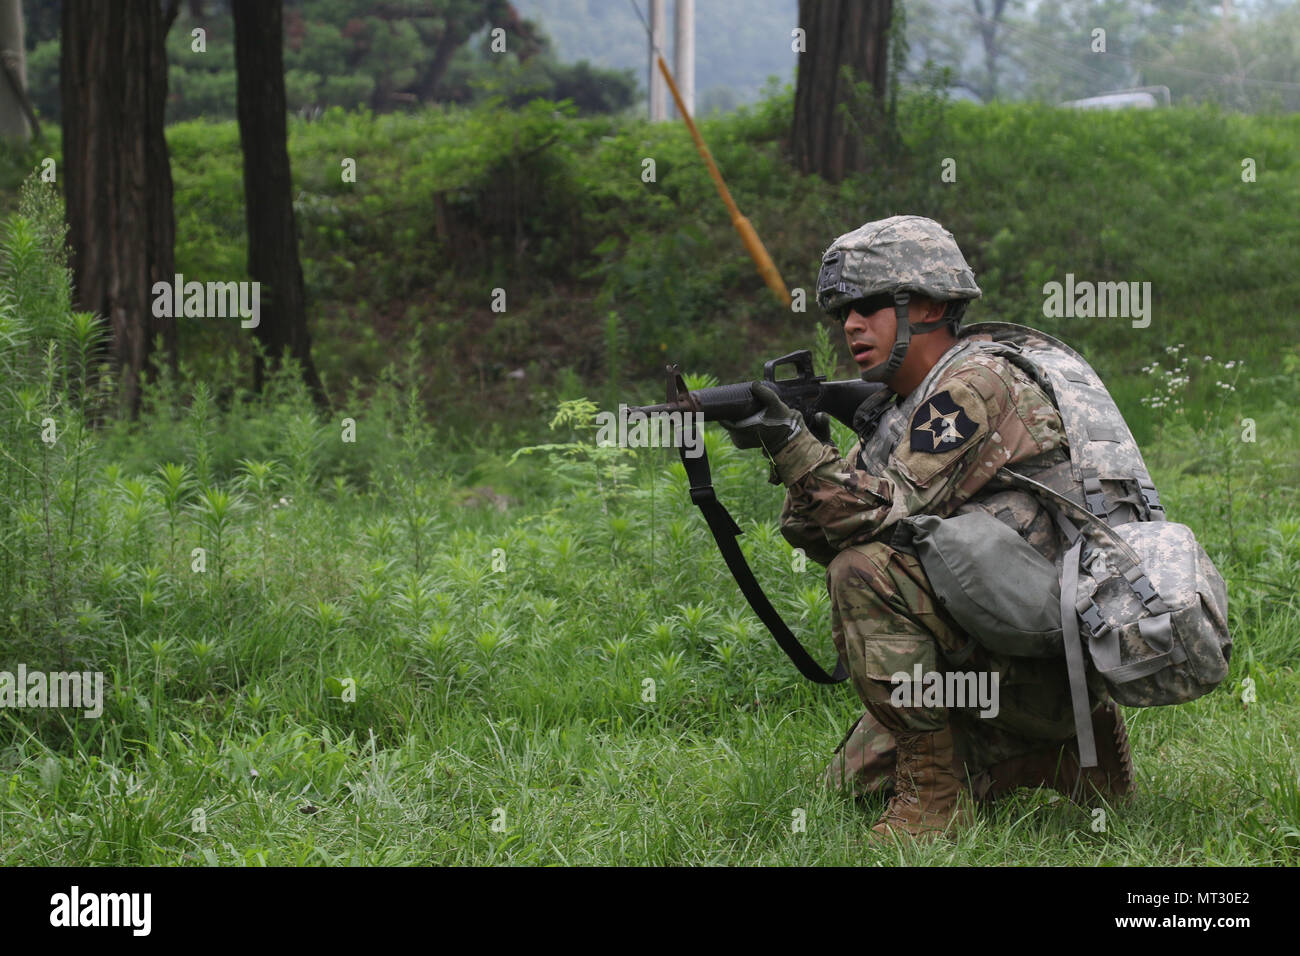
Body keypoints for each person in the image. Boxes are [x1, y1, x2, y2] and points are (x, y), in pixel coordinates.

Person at [718, 215, 1134, 842]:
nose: (851, 325)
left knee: (865, 571)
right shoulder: (898, 408)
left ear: (933, 304)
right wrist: (804, 446)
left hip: (1050, 654)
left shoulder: (973, 385)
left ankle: (939, 804)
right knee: (853, 783)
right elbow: (814, 529)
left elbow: (867, 521)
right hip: (1004, 644)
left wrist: (792, 443)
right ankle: (1062, 754)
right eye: (842, 314)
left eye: (870, 305)